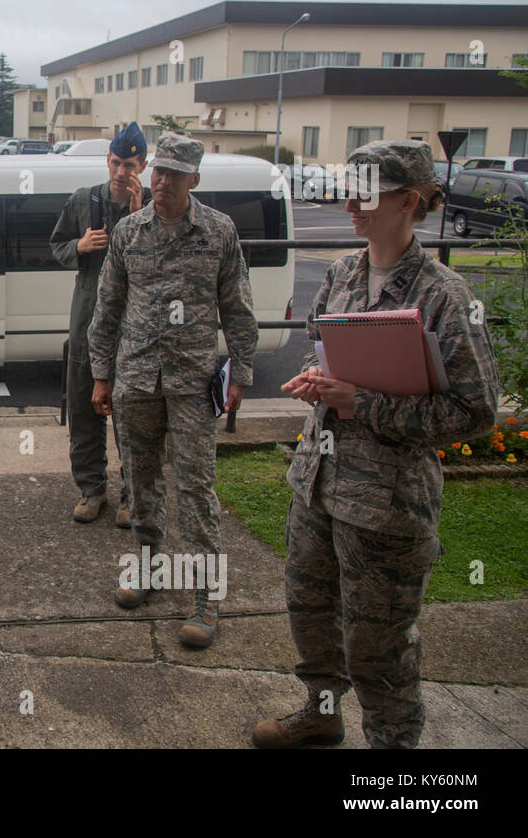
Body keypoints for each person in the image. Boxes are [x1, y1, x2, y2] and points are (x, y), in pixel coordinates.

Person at [255, 140, 500, 748]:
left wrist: (361, 402)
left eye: (367, 191)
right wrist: (319, 384)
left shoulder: (447, 297)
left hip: (387, 506)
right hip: (319, 484)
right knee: (310, 616)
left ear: (409, 201)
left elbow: (475, 412)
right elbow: (325, 351)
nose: (350, 204)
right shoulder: (341, 275)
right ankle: (322, 713)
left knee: (379, 649)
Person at [89, 132, 257, 647]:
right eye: (157, 171)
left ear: (194, 180)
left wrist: (242, 373)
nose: (160, 181)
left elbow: (238, 308)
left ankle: (206, 593)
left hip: (192, 381)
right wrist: (101, 373)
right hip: (136, 376)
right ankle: (147, 565)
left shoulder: (218, 232)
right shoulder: (128, 232)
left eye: (173, 174)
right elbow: (108, 306)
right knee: (140, 479)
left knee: (194, 486)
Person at [50, 122, 154, 525]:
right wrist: (79, 245)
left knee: (133, 418)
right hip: (87, 326)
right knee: (83, 411)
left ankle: (133, 495)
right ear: (106, 161)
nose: (121, 172)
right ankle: (92, 489)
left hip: (134, 330)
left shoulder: (150, 210)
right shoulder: (83, 200)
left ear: (143, 165)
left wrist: (137, 218)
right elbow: (55, 246)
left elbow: (161, 261)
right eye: (115, 163)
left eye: (129, 164)